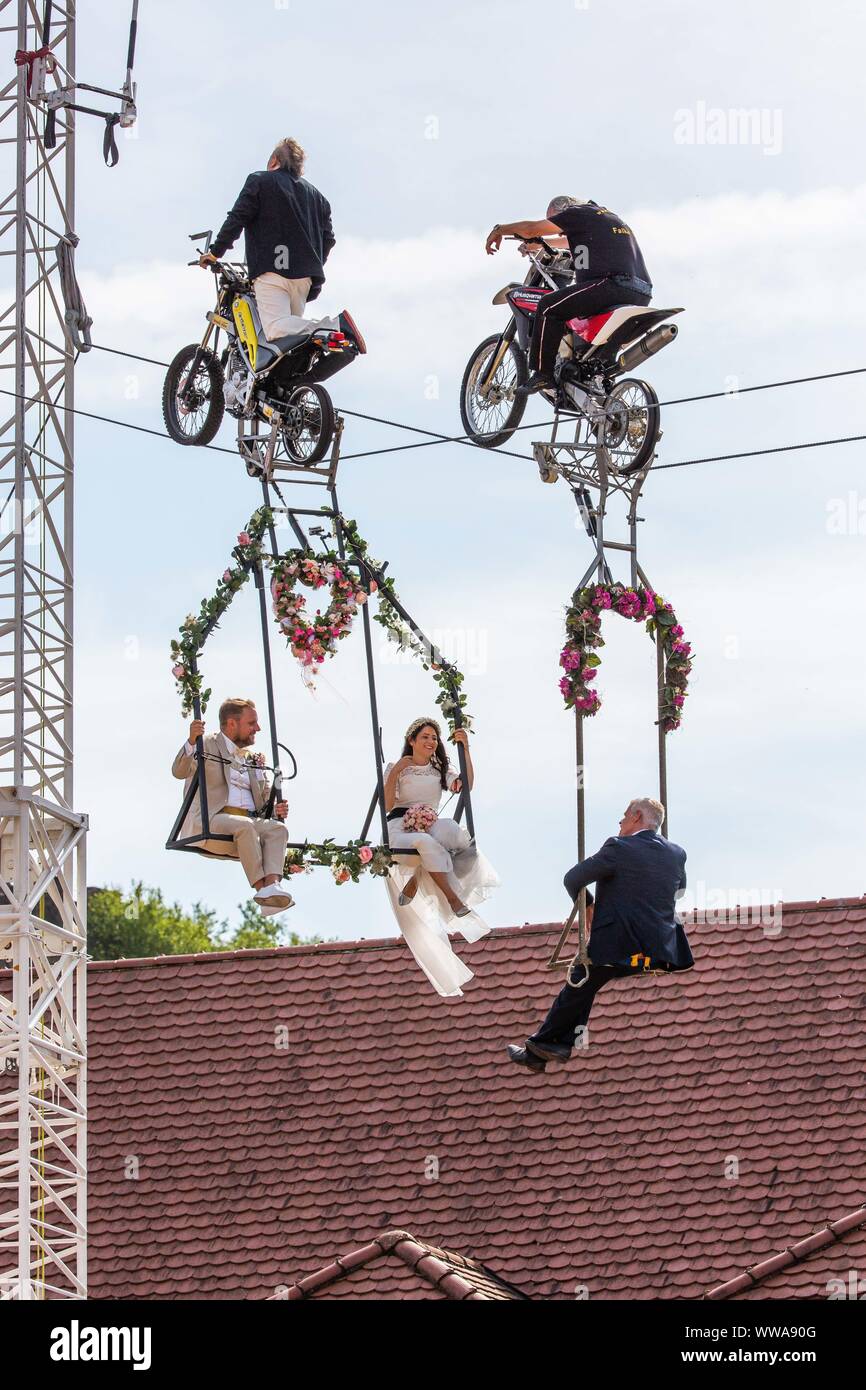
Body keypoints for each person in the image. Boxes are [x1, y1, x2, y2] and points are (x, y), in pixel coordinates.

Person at [507, 797, 693, 1072]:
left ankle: (548, 1044)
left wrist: (590, 905)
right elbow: (680, 891)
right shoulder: (677, 853)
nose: (619, 822)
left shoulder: (619, 848)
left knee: (581, 979)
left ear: (637, 818)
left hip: (619, 946)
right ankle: (545, 1047)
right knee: (585, 982)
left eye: (624, 816)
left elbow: (573, 878)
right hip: (659, 952)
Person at [199, 136, 364, 351]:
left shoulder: (260, 180)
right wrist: (311, 262)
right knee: (288, 346)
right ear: (299, 169)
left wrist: (215, 253)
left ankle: (333, 326)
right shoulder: (319, 199)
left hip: (272, 270)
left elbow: (237, 217)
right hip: (304, 279)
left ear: (274, 161)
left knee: (276, 329)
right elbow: (329, 239)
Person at [485, 196, 653, 396]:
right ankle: (598, 383)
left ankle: (543, 374)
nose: (560, 229)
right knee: (594, 351)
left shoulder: (577, 212)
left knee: (548, 306)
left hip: (611, 286)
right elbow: (568, 241)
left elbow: (531, 229)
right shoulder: (606, 217)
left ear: (564, 210)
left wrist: (500, 229)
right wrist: (539, 245)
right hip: (641, 293)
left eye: (557, 223)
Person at [383, 717, 499, 998]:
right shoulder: (396, 767)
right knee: (425, 843)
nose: (431, 742)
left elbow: (465, 786)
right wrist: (397, 770)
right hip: (400, 828)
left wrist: (466, 748)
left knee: (456, 835)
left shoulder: (439, 768)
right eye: (425, 737)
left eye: (434, 738)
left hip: (429, 823)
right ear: (412, 740)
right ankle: (453, 898)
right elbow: (386, 805)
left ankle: (419, 877)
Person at [172, 697, 293, 916]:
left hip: (245, 827)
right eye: (252, 723)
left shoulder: (253, 758)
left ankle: (273, 887)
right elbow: (179, 772)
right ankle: (261, 889)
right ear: (231, 724)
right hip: (211, 823)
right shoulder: (205, 744)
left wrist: (275, 810)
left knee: (278, 829)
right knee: (245, 825)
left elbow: (263, 803)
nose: (258, 728)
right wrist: (191, 740)